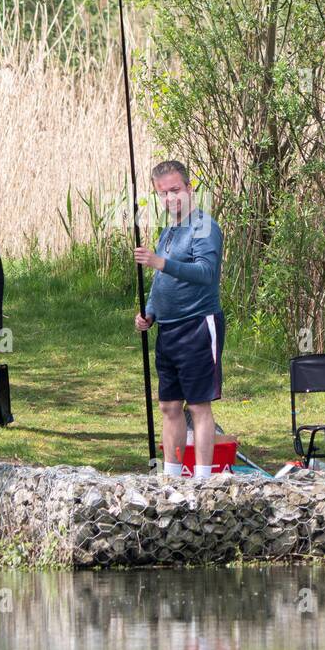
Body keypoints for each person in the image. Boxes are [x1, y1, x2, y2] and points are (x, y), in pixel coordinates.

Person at [133, 160, 225, 479]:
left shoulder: (204, 226)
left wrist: (160, 262)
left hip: (198, 325)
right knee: (169, 407)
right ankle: (171, 478)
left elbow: (205, 273)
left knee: (198, 406)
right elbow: (162, 284)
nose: (170, 199)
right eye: (163, 193)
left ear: (189, 188)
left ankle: (202, 481)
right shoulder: (169, 230)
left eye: (175, 190)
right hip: (168, 331)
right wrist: (150, 313)